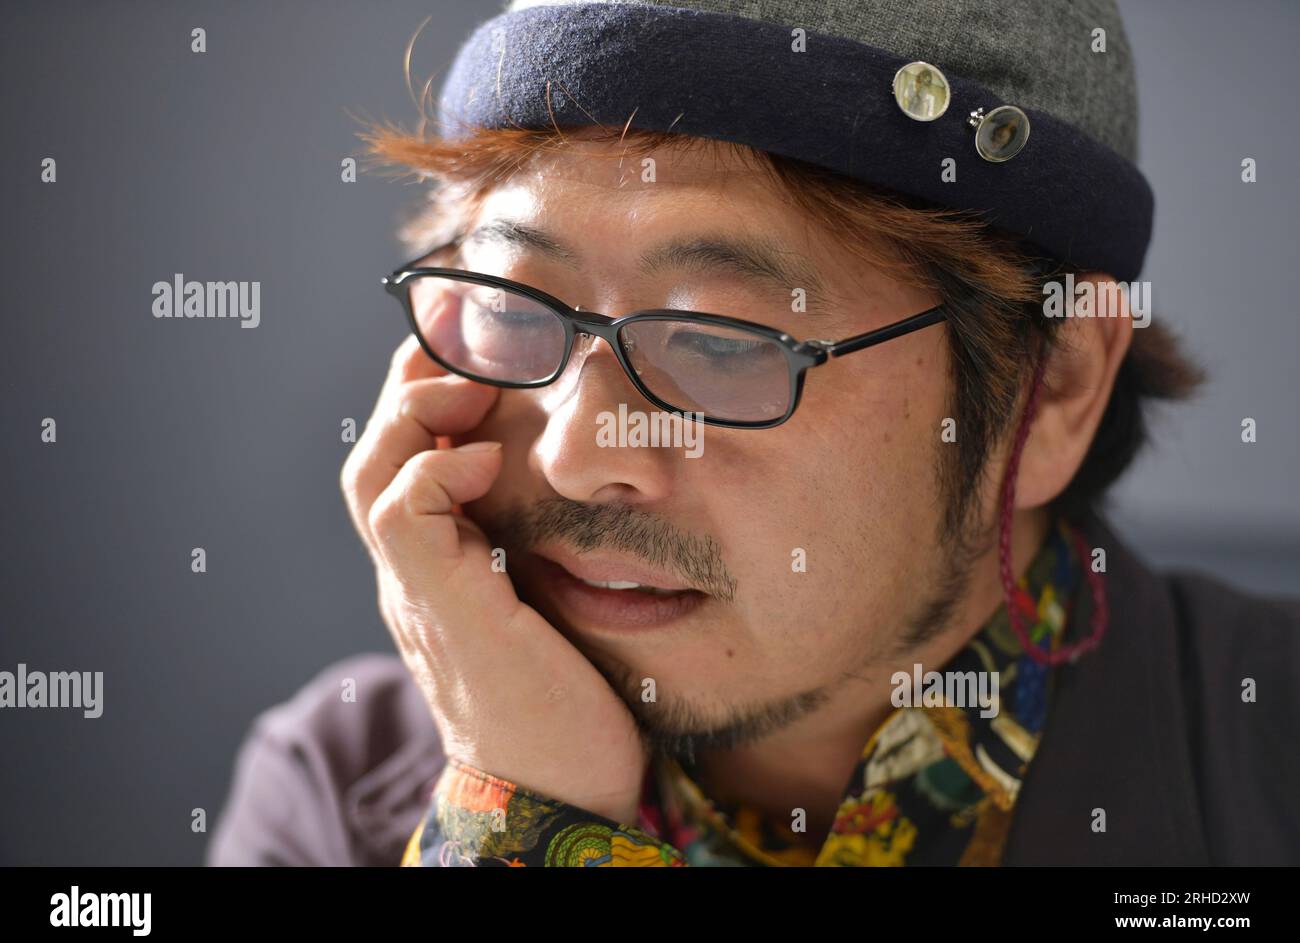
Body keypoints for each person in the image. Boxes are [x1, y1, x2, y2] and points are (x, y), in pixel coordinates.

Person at [208, 0, 1300, 867]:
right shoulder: (339, 788)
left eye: (721, 339)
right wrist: (521, 817)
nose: (577, 452)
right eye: (513, 307)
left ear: (1048, 385)